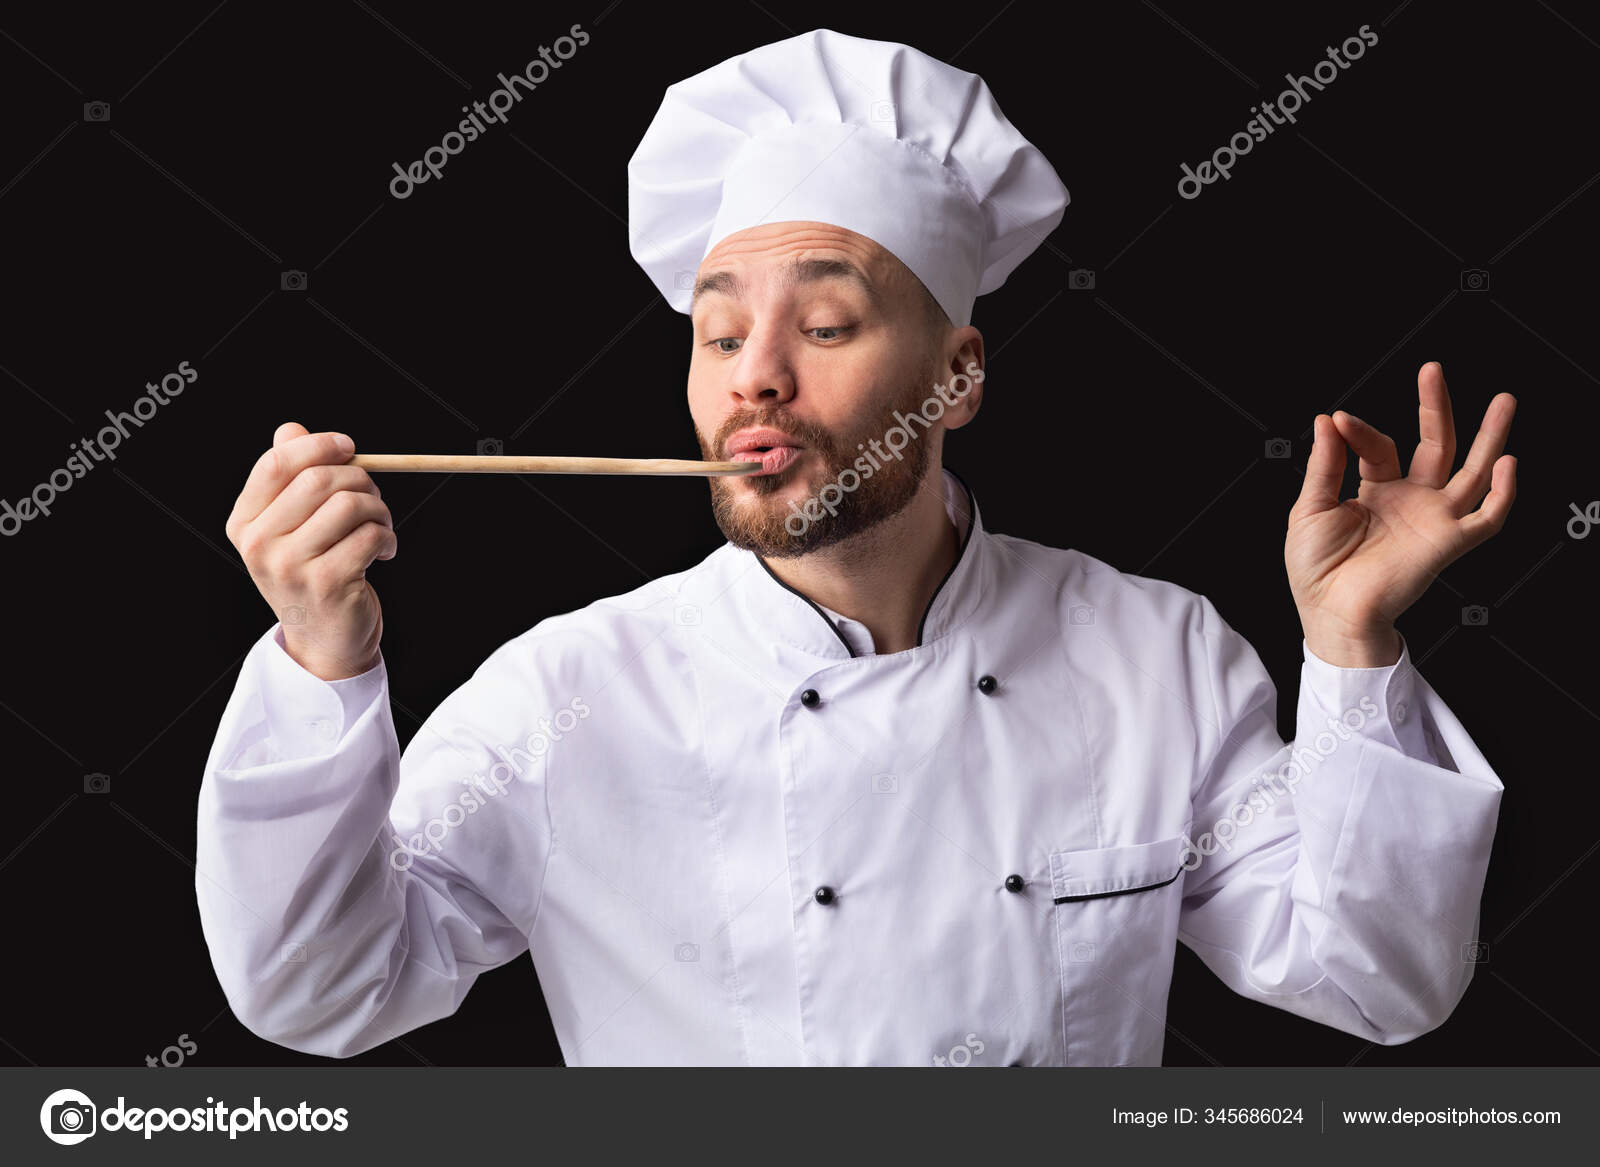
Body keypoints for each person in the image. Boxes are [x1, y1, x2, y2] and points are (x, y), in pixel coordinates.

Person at [197, 29, 1516, 1066]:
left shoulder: (1155, 653)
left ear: (957, 373)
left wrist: (1353, 647)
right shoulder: (566, 694)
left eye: (824, 326)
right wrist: (320, 658)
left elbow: (1375, 983)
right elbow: (322, 992)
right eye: (719, 337)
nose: (754, 380)